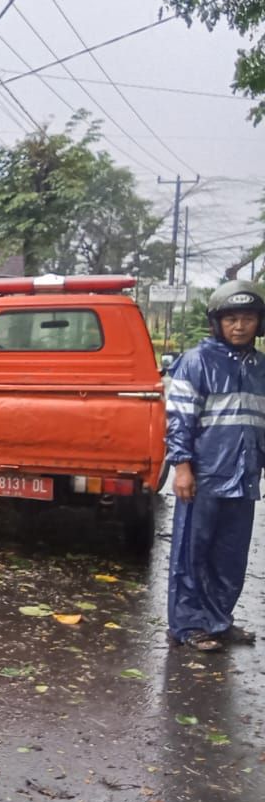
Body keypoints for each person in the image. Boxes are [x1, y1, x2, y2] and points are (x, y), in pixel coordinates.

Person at [165, 278, 265, 653]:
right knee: (193, 553)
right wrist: (182, 466)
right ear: (217, 322)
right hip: (204, 476)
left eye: (248, 318)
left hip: (245, 477)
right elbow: (179, 420)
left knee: (230, 555)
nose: (239, 326)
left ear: (260, 323)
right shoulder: (197, 361)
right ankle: (189, 625)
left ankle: (219, 621)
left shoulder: (260, 367)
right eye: (231, 319)